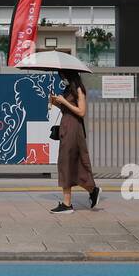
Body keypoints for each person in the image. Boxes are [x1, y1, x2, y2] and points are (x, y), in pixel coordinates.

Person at [48, 70, 99, 213]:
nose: (62, 78)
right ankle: (92, 189)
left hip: (73, 129)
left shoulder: (78, 89)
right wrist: (57, 103)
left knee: (66, 162)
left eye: (63, 75)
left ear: (69, 75)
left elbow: (81, 111)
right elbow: (67, 109)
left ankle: (67, 204)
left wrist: (64, 101)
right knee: (70, 163)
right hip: (66, 126)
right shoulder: (68, 89)